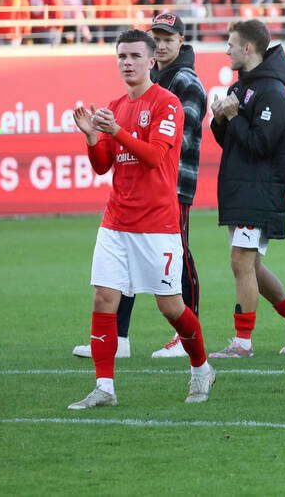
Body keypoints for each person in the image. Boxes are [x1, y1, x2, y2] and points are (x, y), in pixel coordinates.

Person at [67, 28, 214, 409]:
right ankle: (104, 388)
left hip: (156, 223)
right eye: (121, 57)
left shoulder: (167, 104)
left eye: (134, 56)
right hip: (116, 221)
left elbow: (154, 156)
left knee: (170, 307)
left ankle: (200, 367)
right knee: (103, 298)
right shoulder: (115, 106)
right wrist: (91, 138)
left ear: (152, 61)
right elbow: (103, 167)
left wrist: (115, 130)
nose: (127, 63)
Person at [208, 20, 285, 358]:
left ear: (248, 48)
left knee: (241, 261)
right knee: (250, 265)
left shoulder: (272, 92)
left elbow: (262, 145)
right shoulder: (243, 87)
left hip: (259, 190)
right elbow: (230, 142)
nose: (226, 50)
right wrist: (220, 119)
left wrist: (235, 117)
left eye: (231, 44)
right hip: (240, 187)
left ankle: (242, 342)